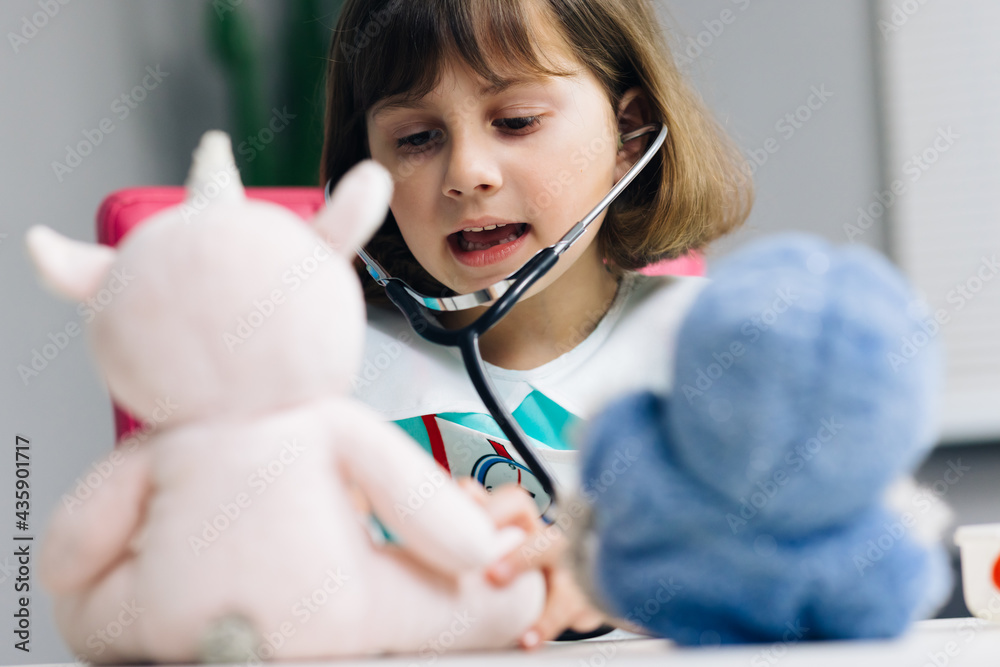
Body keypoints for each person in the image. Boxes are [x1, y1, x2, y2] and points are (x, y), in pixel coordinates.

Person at [320, 0, 753, 648]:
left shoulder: (723, 349)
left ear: (628, 136)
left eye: (517, 121)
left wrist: (622, 582)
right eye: (416, 138)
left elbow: (840, 566)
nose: (467, 174)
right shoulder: (319, 368)